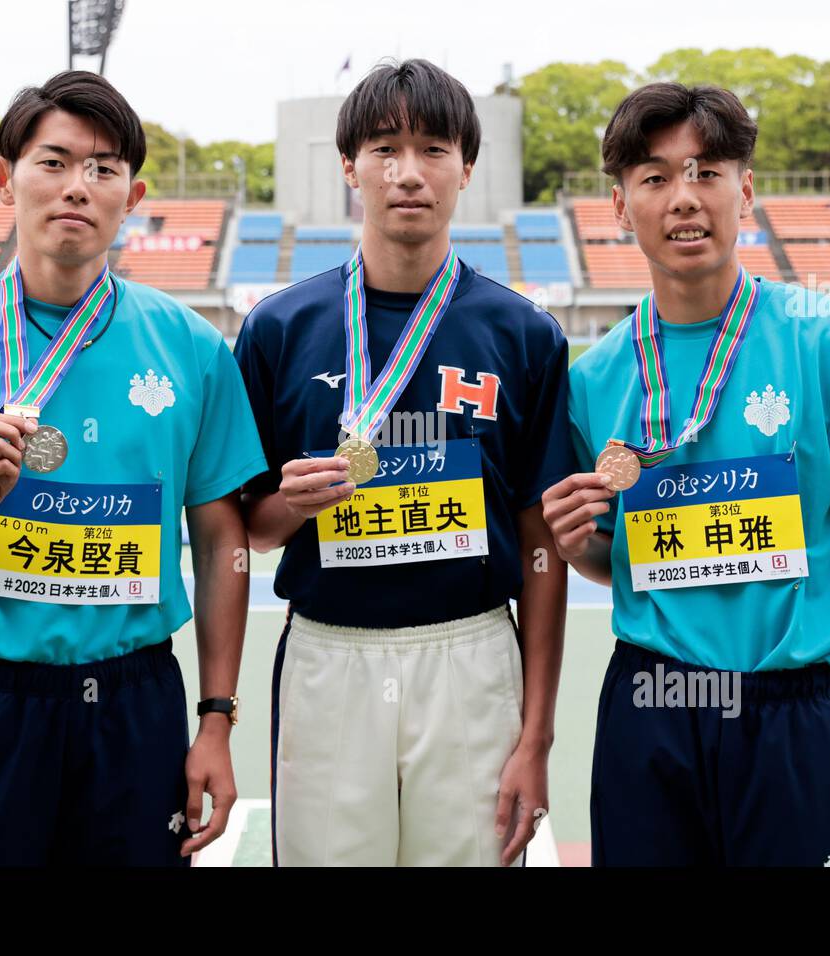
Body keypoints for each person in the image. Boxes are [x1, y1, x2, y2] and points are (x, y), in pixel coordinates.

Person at [0, 71, 266, 866]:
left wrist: (215, 717)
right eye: (55, 161)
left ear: (132, 198)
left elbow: (219, 543)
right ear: (5, 179)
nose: (79, 187)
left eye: (104, 169)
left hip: (136, 704)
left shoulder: (194, 349)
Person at [541, 82, 830, 866]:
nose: (684, 198)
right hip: (653, 704)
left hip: (797, 713)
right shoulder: (593, 379)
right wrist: (579, 541)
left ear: (744, 192)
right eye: (654, 178)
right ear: (620, 206)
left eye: (706, 172)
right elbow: (602, 560)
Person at [234, 59, 577, 867]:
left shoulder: (525, 334)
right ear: (348, 166)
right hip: (328, 653)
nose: (409, 172)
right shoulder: (278, 330)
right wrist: (289, 504)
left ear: (467, 168)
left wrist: (537, 731)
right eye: (385, 149)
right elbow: (247, 529)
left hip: (473, 654)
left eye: (433, 148)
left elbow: (541, 544)